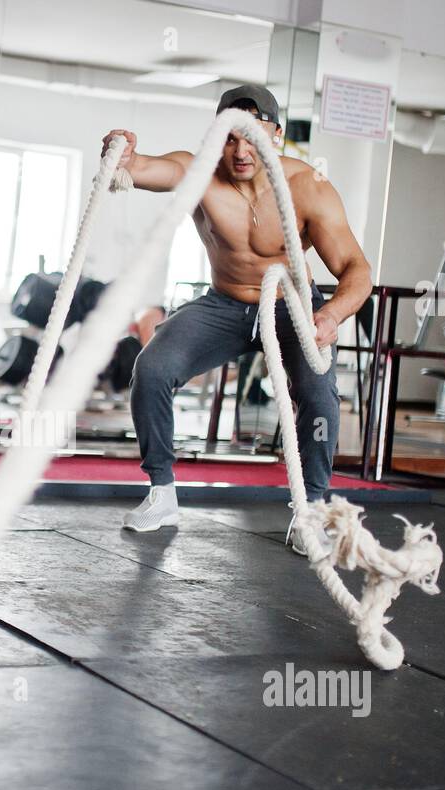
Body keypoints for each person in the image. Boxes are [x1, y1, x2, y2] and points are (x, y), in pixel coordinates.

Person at [105, 85, 373, 553]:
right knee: (152, 368)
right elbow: (149, 168)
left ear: (276, 134)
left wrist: (329, 316)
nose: (241, 150)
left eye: (253, 136)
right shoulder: (200, 172)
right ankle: (162, 493)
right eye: (230, 136)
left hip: (292, 306)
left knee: (319, 396)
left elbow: (358, 270)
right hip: (226, 305)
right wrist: (123, 157)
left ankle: (309, 512)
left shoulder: (308, 187)